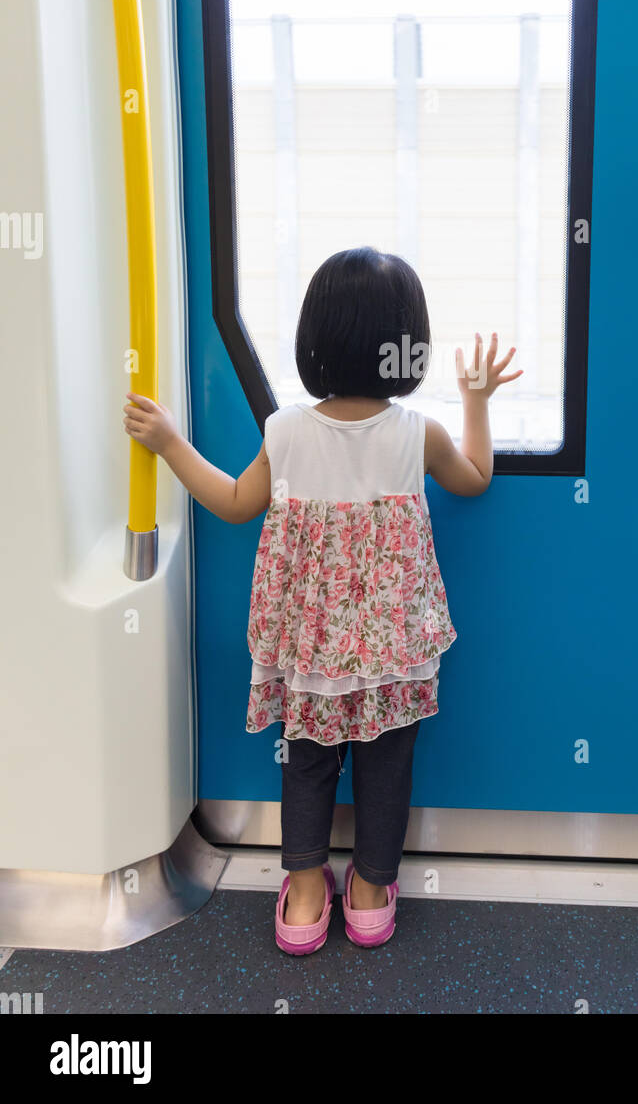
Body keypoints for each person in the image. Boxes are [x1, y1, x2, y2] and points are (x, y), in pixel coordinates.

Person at [124, 246, 521, 952]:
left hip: (308, 646)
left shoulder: (286, 431)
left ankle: (307, 894)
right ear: (410, 347)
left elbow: (236, 503)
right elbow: (476, 479)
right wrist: (476, 403)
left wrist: (170, 443)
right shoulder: (417, 433)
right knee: (388, 760)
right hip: (394, 649)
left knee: (306, 758)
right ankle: (370, 892)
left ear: (316, 342)